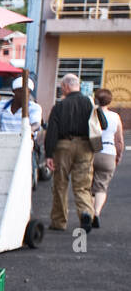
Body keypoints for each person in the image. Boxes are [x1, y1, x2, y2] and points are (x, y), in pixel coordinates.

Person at [45, 73, 96, 232]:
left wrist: (49, 154)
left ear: (66, 87)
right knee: (82, 185)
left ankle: (59, 221)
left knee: (60, 184)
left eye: (61, 87)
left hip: (63, 146)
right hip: (85, 145)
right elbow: (103, 124)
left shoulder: (59, 106)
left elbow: (52, 130)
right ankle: (86, 213)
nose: (61, 90)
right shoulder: (90, 103)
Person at [90, 87, 123, 228]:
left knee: (88, 186)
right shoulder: (115, 117)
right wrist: (119, 155)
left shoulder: (91, 114)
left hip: (91, 151)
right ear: (110, 101)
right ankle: (96, 212)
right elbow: (119, 140)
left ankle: (89, 212)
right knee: (101, 186)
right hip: (109, 152)